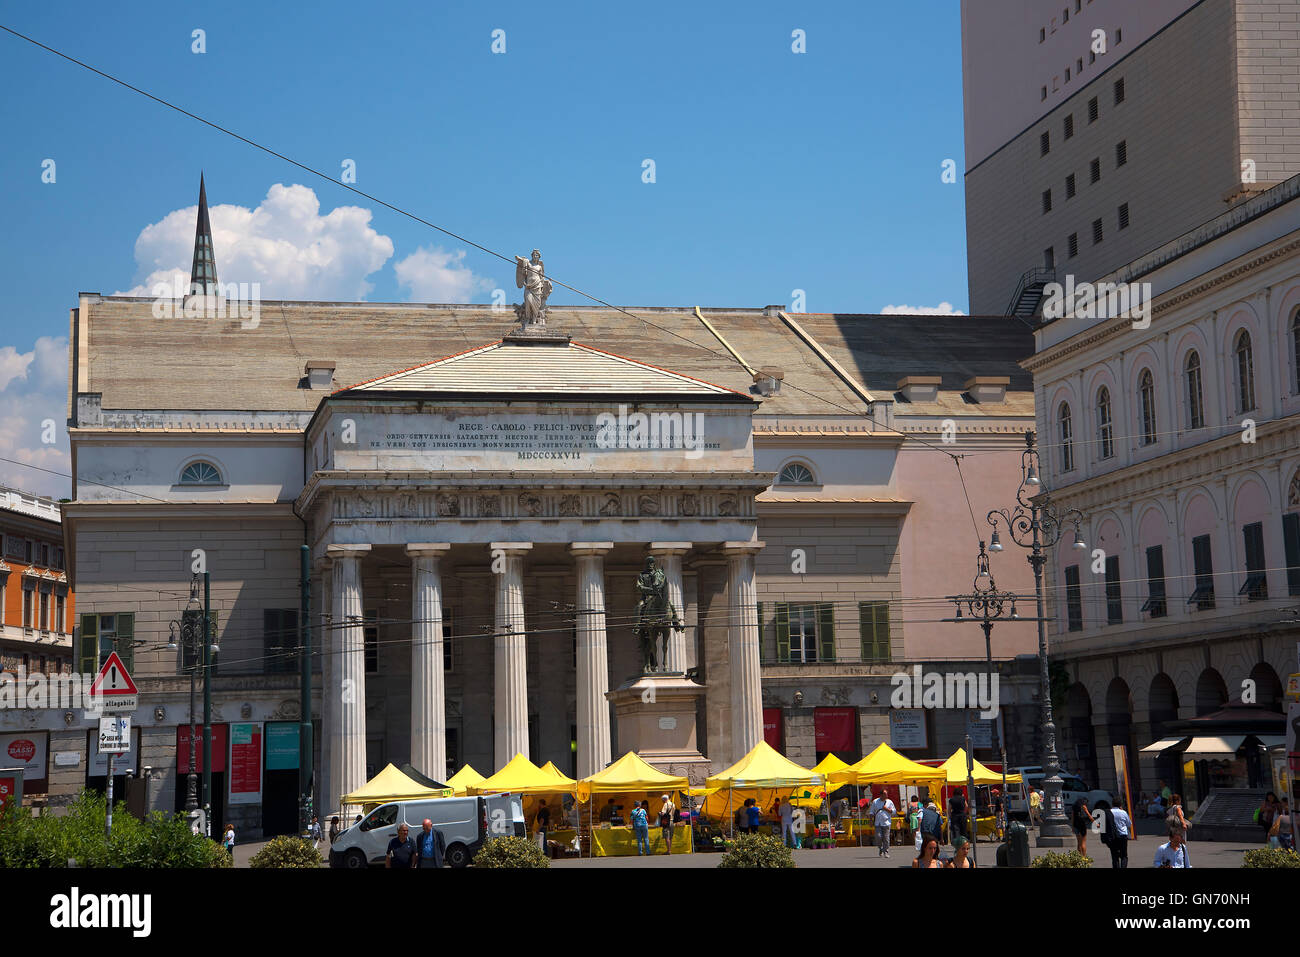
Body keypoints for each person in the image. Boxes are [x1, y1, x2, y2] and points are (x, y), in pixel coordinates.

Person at [1097, 800, 1131, 869]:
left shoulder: (1108, 812)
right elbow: (1129, 824)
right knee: (1124, 855)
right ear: (1120, 805)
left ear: (1112, 804)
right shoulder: (1123, 812)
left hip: (1112, 836)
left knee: (1114, 856)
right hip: (1122, 835)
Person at [869, 788, 897, 858]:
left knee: (886, 838)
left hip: (886, 822)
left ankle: (886, 851)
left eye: (887, 794)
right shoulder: (875, 801)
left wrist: (887, 809)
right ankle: (880, 848)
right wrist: (871, 820)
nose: (886, 795)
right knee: (878, 837)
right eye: (885, 794)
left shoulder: (889, 802)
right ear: (881, 795)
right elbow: (872, 812)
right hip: (877, 823)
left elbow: (894, 812)